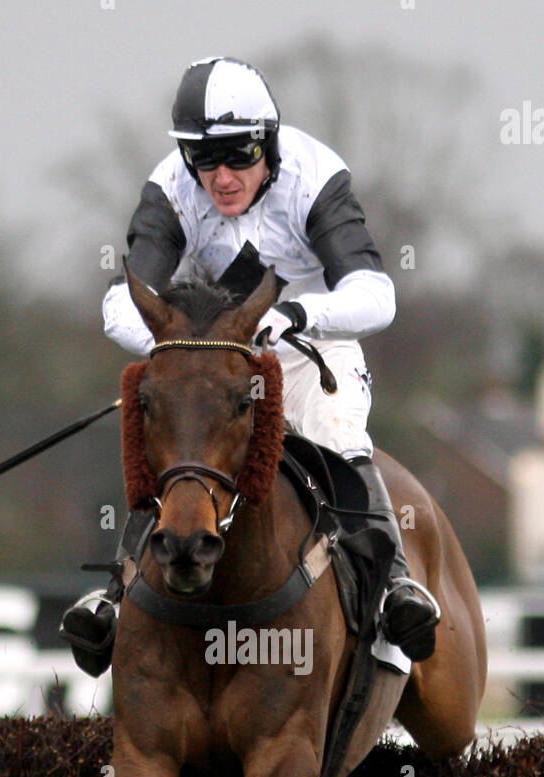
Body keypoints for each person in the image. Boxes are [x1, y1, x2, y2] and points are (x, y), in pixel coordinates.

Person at [62, 55, 440, 675]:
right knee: (175, 443)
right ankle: (112, 600)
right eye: (204, 159)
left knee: (339, 433)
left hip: (311, 345)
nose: (222, 176)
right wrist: (178, 347)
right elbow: (118, 303)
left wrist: (297, 314)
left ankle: (395, 584)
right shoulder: (170, 187)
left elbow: (378, 297)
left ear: (268, 143)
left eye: (238, 155)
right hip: (217, 359)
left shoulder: (316, 176)